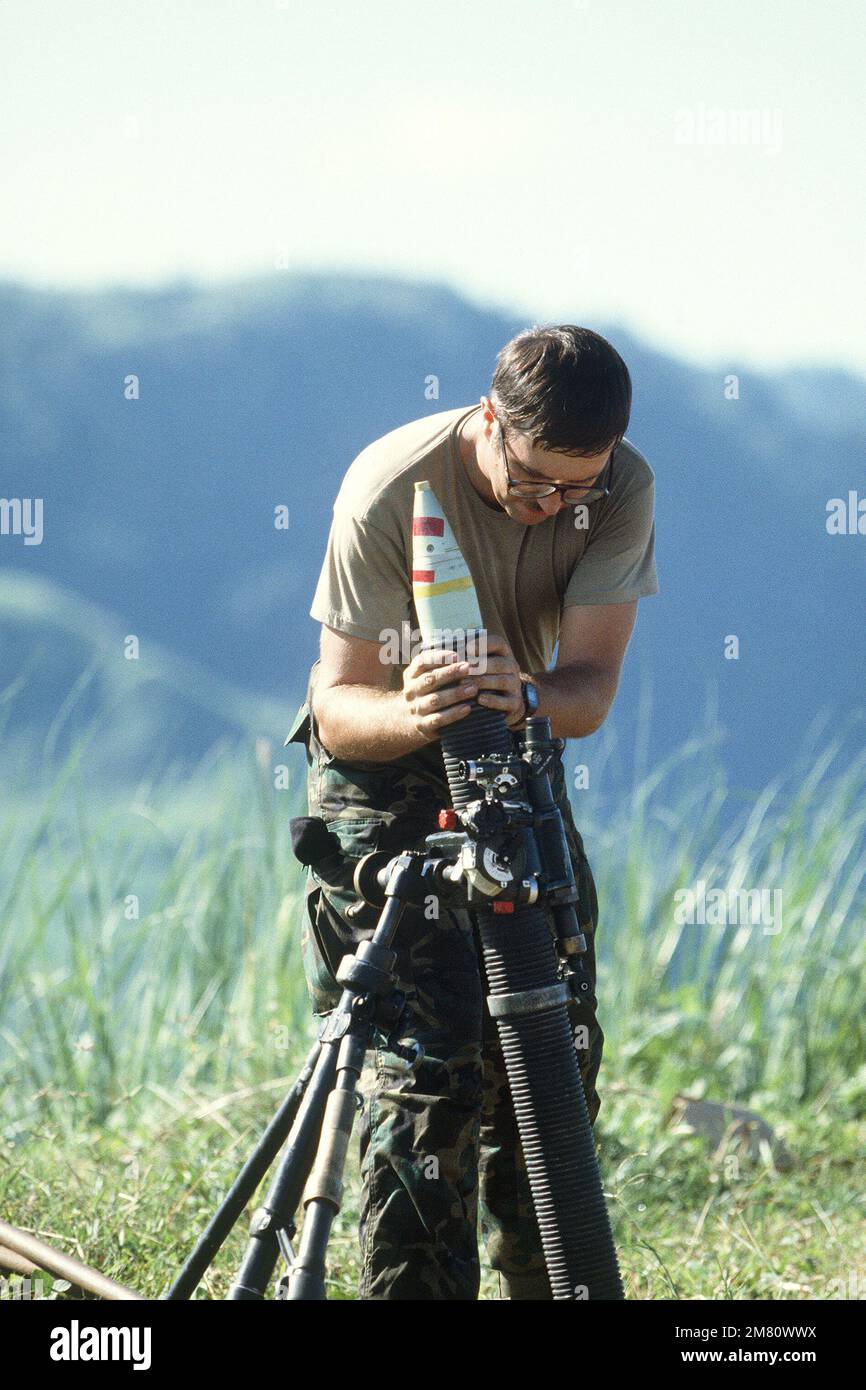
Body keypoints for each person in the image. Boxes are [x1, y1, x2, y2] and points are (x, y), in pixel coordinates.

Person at [285, 324, 658, 1299]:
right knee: (424, 1063)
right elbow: (335, 705)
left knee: (554, 1041)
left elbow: (586, 694)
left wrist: (521, 694)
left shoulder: (618, 487)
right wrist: (414, 710)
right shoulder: (388, 486)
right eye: (535, 482)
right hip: (386, 766)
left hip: (508, 740)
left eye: (577, 488)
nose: (553, 508)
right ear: (486, 421)